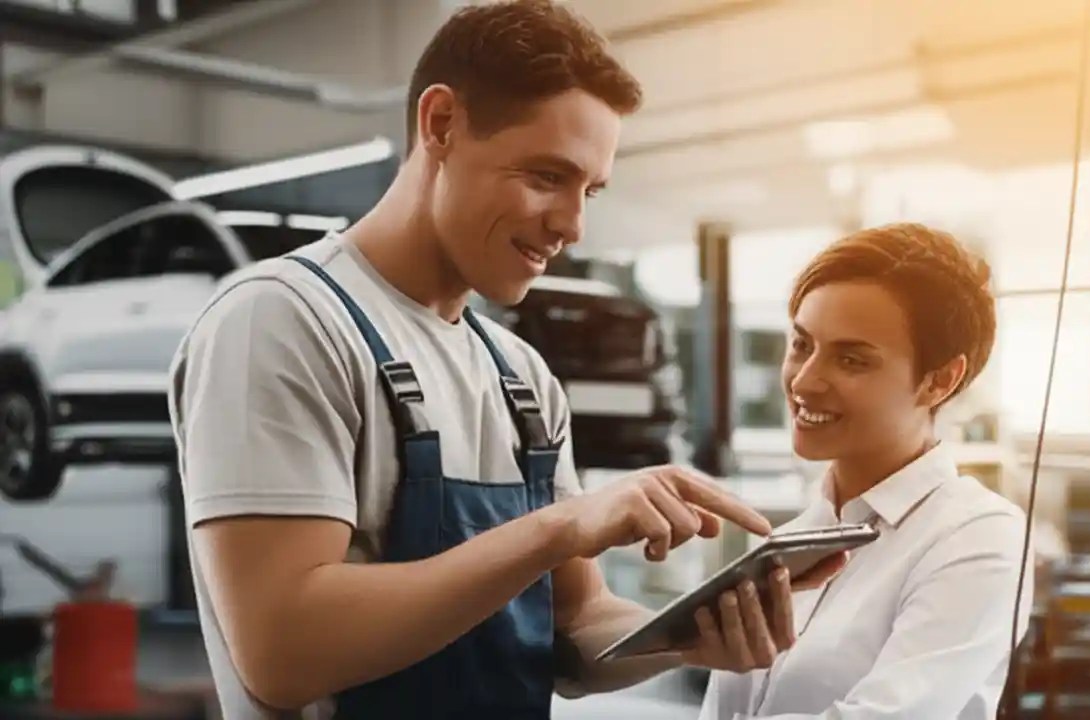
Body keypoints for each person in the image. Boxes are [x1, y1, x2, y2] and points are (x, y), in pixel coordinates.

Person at [166, 2, 844, 718]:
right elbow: (283, 652)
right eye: (548, 176)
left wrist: (690, 632)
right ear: (440, 125)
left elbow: (577, 632)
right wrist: (560, 527)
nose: (573, 225)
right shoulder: (282, 321)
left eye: (590, 190)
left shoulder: (522, 379)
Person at [698, 223, 1035, 720]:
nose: (805, 381)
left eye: (851, 360)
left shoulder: (979, 537)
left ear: (939, 381)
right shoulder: (788, 543)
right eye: (800, 345)